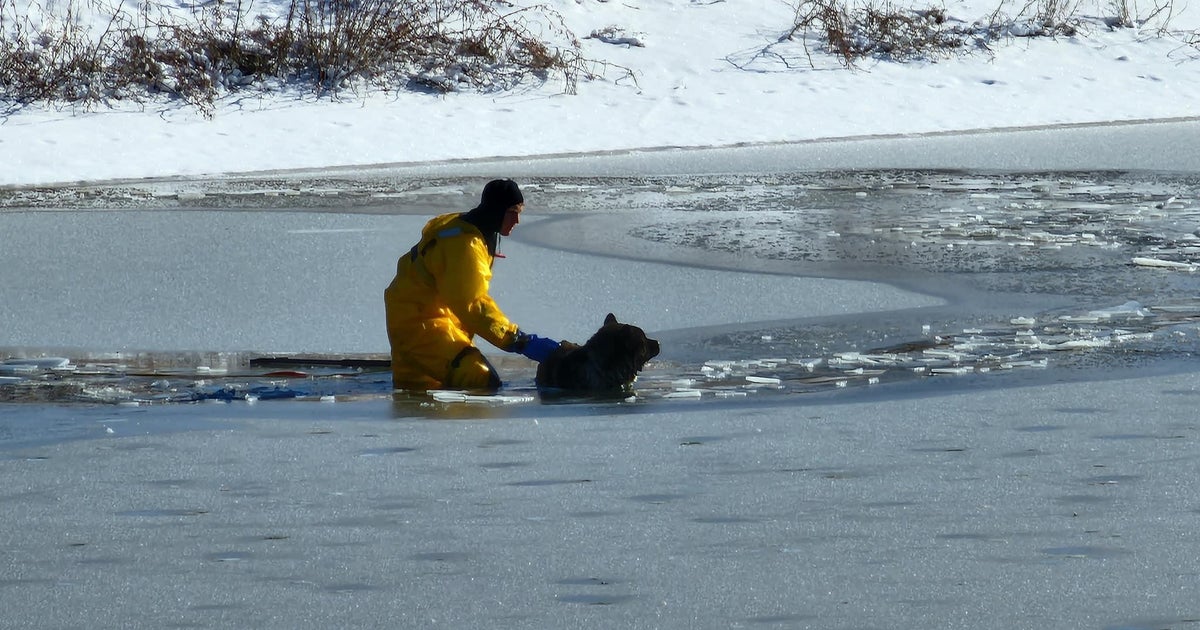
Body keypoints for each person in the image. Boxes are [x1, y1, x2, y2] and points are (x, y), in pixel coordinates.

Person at [384, 179, 560, 391]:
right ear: (496, 211)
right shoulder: (463, 246)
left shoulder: (469, 229)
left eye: (519, 212)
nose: (517, 220)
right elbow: (473, 305)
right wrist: (518, 340)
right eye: (512, 212)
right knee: (479, 378)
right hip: (422, 328)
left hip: (417, 319)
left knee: (417, 389)